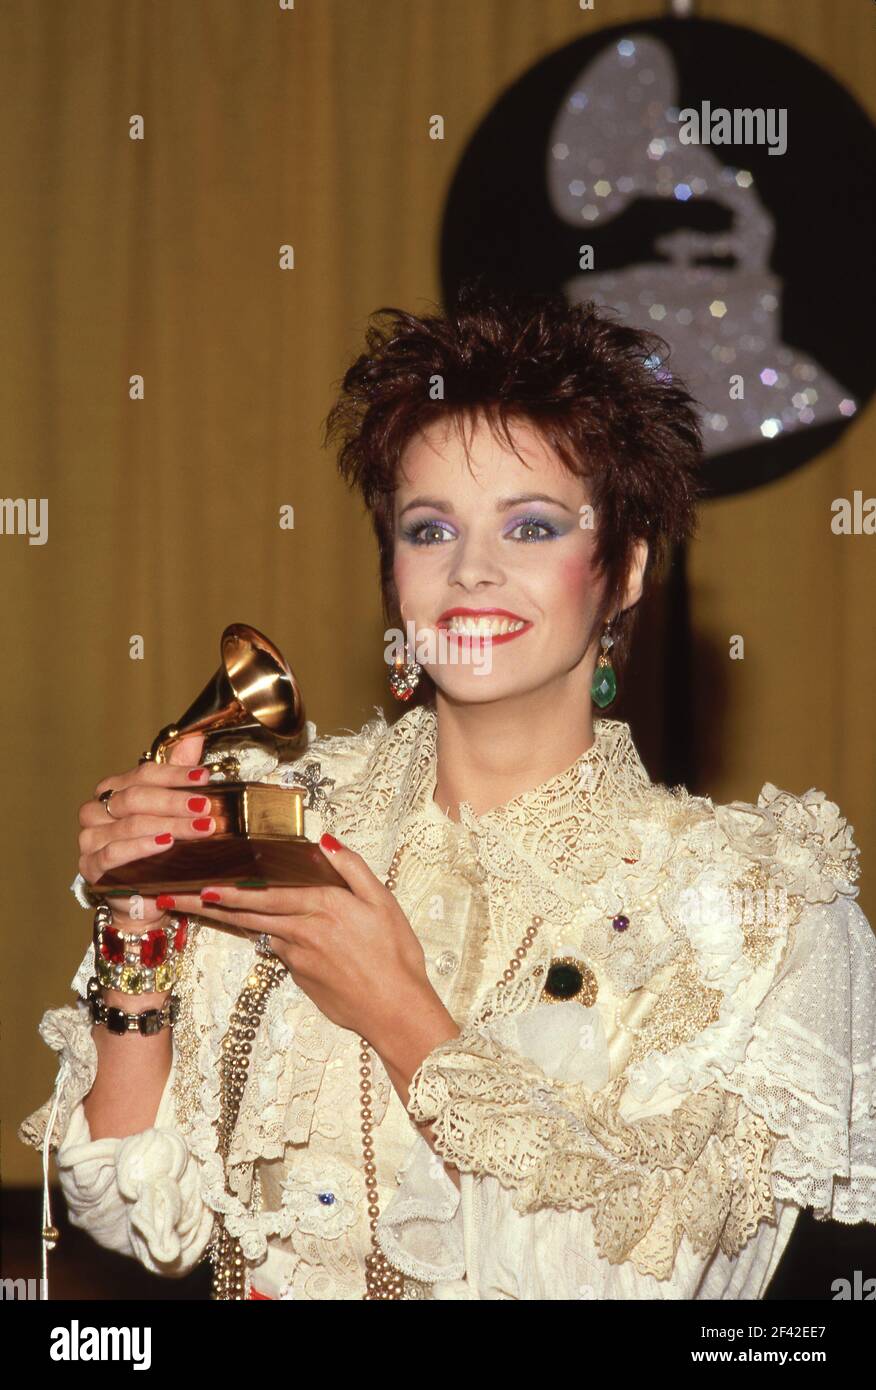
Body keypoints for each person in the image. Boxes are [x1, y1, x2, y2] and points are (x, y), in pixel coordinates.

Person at [20, 280, 876, 1300]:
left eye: (532, 528)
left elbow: (644, 1279)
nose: (472, 570)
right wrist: (135, 932)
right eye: (430, 529)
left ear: (627, 568)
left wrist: (400, 1010)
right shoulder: (286, 821)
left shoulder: (756, 908)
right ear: (392, 570)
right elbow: (137, 1216)